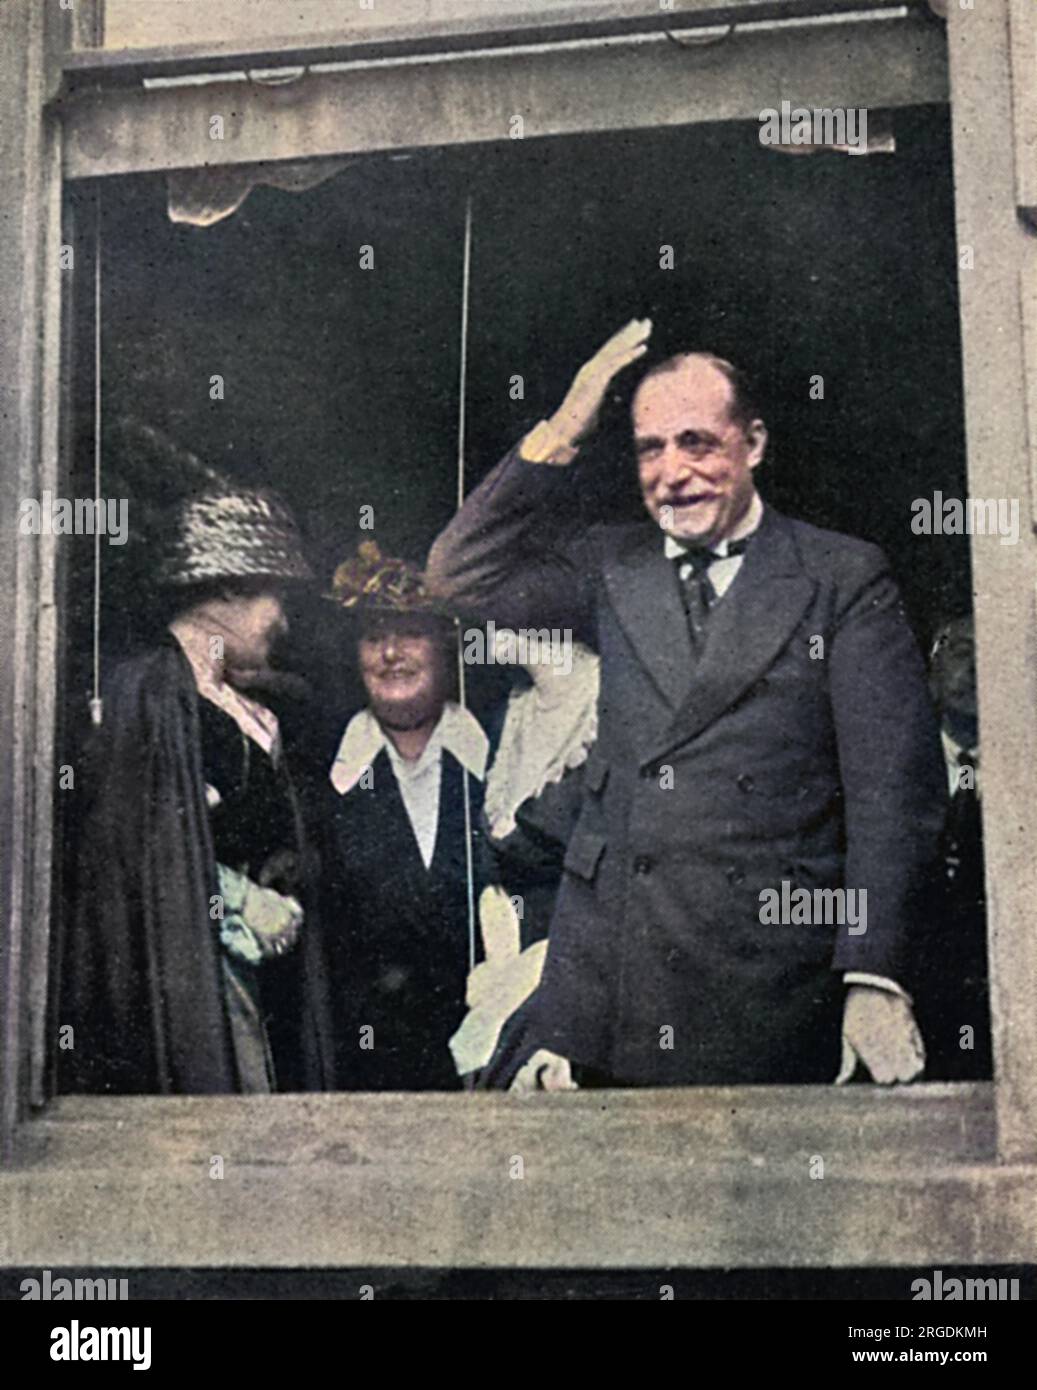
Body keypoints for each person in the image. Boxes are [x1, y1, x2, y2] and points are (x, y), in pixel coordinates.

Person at [427, 319, 948, 1090]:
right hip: (616, 980)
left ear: (754, 444)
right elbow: (456, 575)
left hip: (777, 978)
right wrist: (567, 423)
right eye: (649, 448)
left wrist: (870, 976)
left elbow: (890, 795)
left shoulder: (840, 577)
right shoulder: (611, 566)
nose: (673, 472)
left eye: (696, 442)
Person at [61, 425, 333, 1094]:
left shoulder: (249, 704)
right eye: (277, 598)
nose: (284, 621)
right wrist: (240, 900)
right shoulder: (147, 691)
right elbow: (136, 847)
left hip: (259, 981)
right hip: (192, 982)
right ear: (230, 590)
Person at [320, 542, 490, 1090]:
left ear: (445, 648)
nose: (391, 653)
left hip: (487, 1068)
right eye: (374, 637)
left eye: (410, 633)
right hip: (368, 1075)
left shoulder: (502, 753)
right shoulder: (323, 771)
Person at [911, 615, 992, 1079]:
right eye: (963, 653)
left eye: (990, 653)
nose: (978, 668)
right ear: (932, 668)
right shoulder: (888, 772)